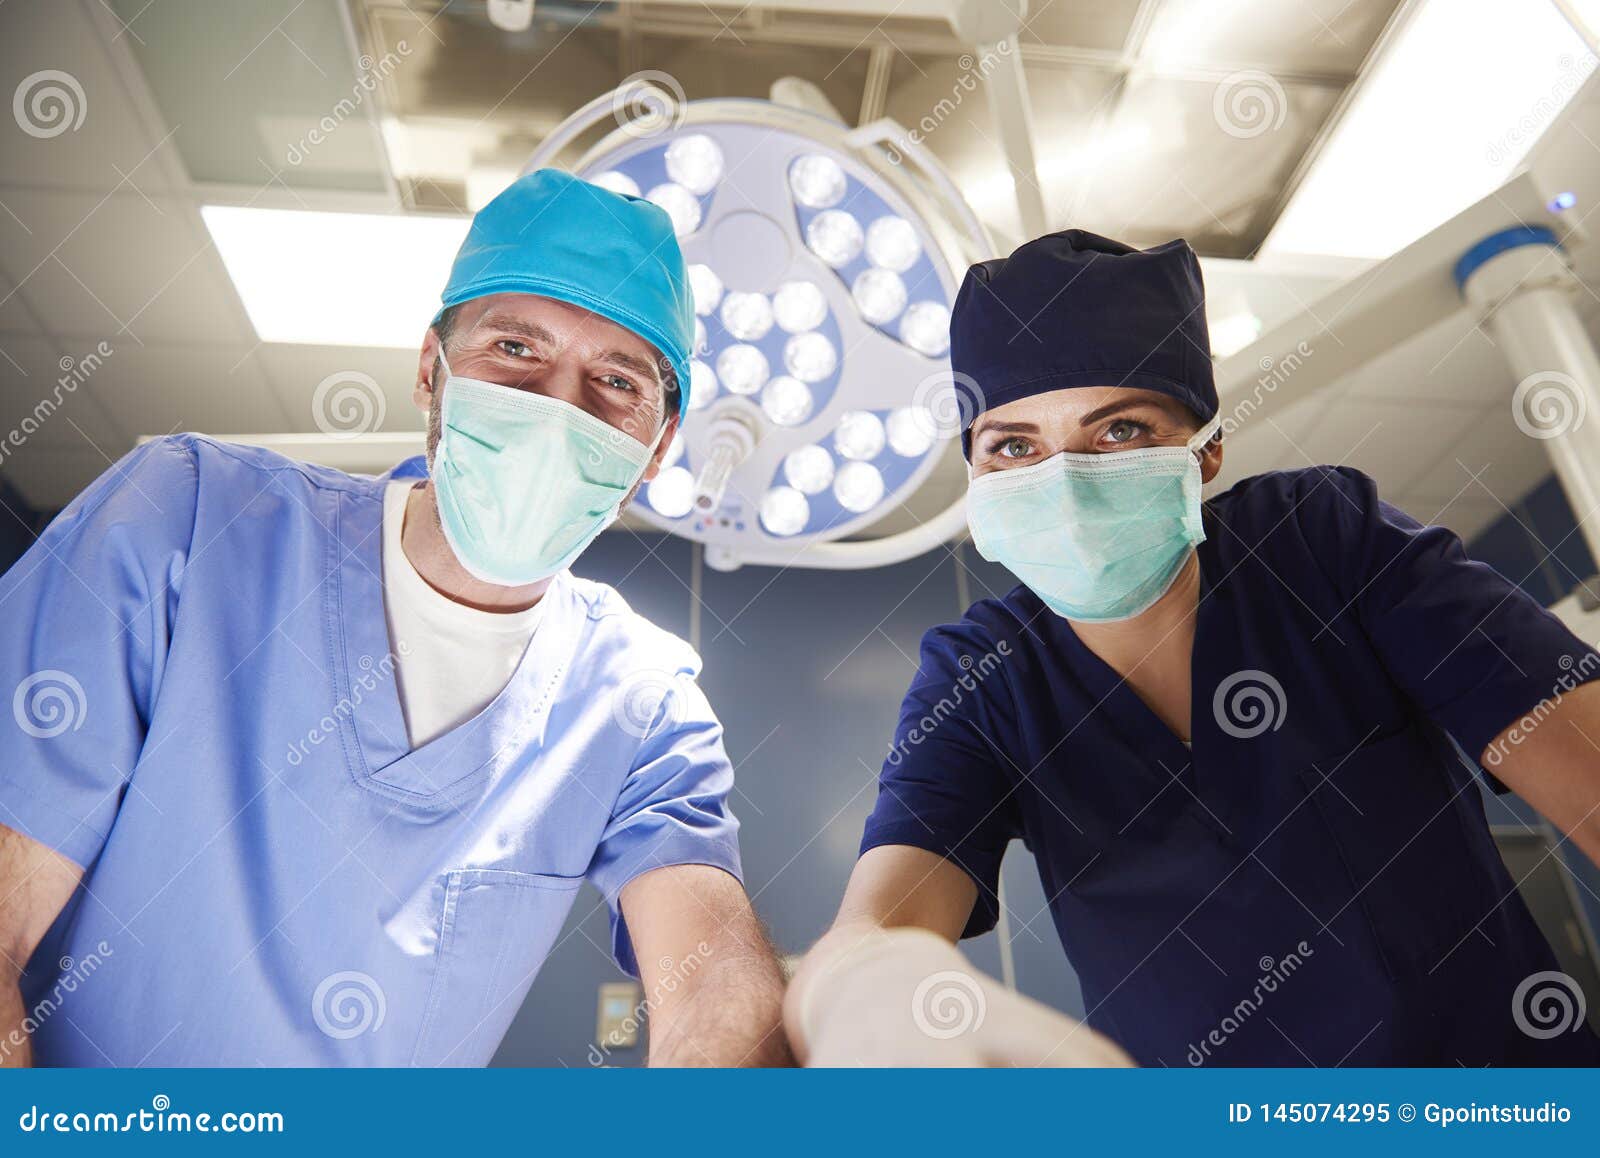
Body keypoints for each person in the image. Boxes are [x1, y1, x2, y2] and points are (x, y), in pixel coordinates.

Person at [0, 170, 790, 1067]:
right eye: (516, 352)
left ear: (657, 447)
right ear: (430, 371)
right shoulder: (186, 522)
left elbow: (716, 982)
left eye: (616, 380)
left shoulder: (643, 705)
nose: (556, 411)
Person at [786, 229, 1600, 1068]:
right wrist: (867, 992)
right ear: (976, 473)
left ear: (1206, 449)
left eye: (1119, 432)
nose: (1062, 484)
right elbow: (877, 922)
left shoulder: (1321, 543)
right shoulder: (985, 676)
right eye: (1015, 446)